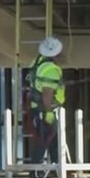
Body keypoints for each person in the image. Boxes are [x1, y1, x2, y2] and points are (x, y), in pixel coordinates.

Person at [26, 36, 66, 170]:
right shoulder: (51, 70)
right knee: (45, 138)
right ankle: (36, 169)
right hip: (44, 109)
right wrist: (48, 111)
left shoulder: (37, 62)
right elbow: (47, 92)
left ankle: (55, 166)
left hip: (36, 107)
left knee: (52, 139)